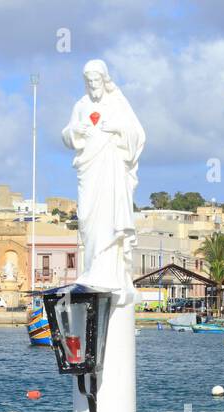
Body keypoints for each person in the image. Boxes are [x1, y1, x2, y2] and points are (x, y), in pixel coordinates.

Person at [61, 60, 145, 299]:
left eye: (96, 80)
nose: (93, 85)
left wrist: (117, 127)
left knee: (110, 218)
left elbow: (138, 135)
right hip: (89, 170)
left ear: (104, 80)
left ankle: (112, 274)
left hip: (112, 170)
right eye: (89, 81)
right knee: (87, 217)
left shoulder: (118, 103)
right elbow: (66, 135)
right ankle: (92, 270)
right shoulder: (81, 105)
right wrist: (77, 130)